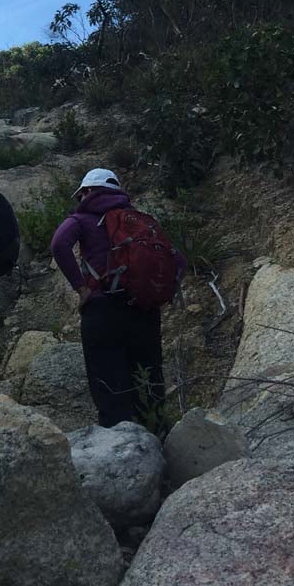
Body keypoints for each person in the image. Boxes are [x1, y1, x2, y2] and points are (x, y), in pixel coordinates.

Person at [50, 168, 183, 429]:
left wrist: (81, 287)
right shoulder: (142, 220)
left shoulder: (81, 218)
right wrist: (163, 291)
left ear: (87, 192)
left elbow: (59, 245)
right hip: (144, 309)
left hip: (102, 309)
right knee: (148, 380)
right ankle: (158, 441)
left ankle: (120, 448)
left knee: (109, 385)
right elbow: (178, 259)